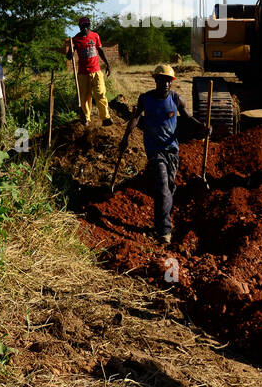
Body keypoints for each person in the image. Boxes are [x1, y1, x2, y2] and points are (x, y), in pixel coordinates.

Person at [119, 64, 210, 244]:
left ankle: (164, 212)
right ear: (156, 80)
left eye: (168, 81)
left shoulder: (176, 99)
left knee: (169, 186)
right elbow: (136, 117)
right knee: (161, 184)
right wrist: (125, 137)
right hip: (154, 148)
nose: (166, 84)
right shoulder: (145, 99)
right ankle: (164, 230)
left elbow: (187, 117)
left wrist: (202, 127)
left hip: (172, 149)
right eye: (162, 80)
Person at [71, 16, 112, 127]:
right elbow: (70, 55)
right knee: (85, 96)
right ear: (79, 27)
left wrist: (108, 65)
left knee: (100, 94)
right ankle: (86, 118)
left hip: (96, 71)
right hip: (83, 73)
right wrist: (69, 54)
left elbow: (100, 50)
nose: (85, 28)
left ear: (89, 26)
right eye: (83, 26)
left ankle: (105, 117)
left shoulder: (95, 36)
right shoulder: (75, 39)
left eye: (87, 26)